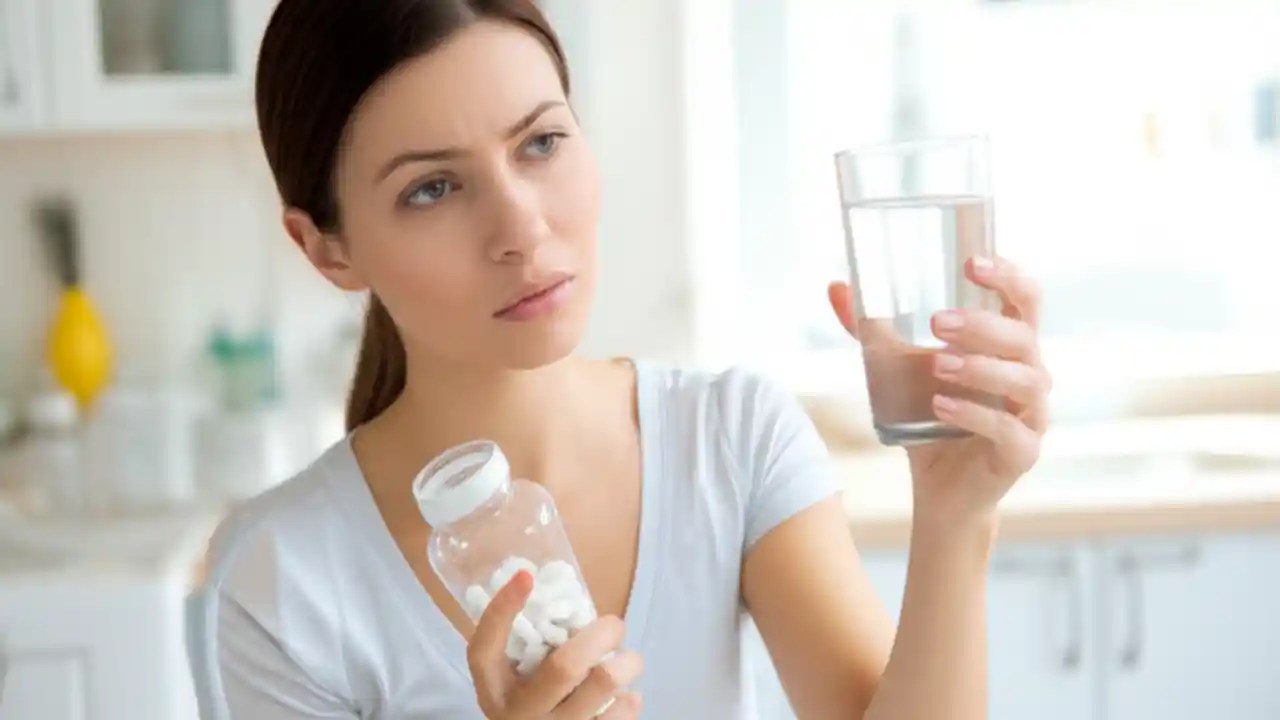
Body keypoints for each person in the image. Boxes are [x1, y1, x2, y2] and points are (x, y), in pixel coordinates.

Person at [185, 1, 1052, 718]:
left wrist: (955, 514)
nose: (522, 227)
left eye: (540, 143)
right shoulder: (280, 582)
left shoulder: (732, 441)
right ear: (326, 248)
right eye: (433, 189)